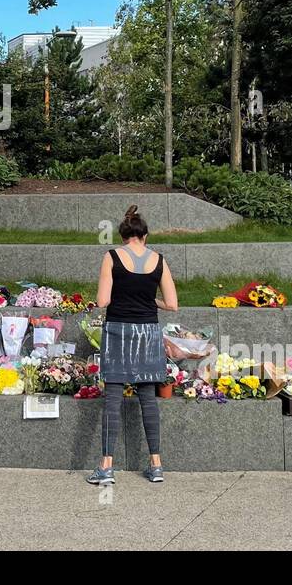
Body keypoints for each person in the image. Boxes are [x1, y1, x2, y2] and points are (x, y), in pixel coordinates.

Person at [87, 205, 179, 486]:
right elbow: (173, 305)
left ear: (124, 235)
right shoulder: (159, 260)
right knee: (148, 398)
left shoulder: (111, 257)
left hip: (118, 332)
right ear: (145, 236)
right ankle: (156, 465)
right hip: (148, 334)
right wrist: (153, 301)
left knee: (113, 399)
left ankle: (106, 468)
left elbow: (102, 301)